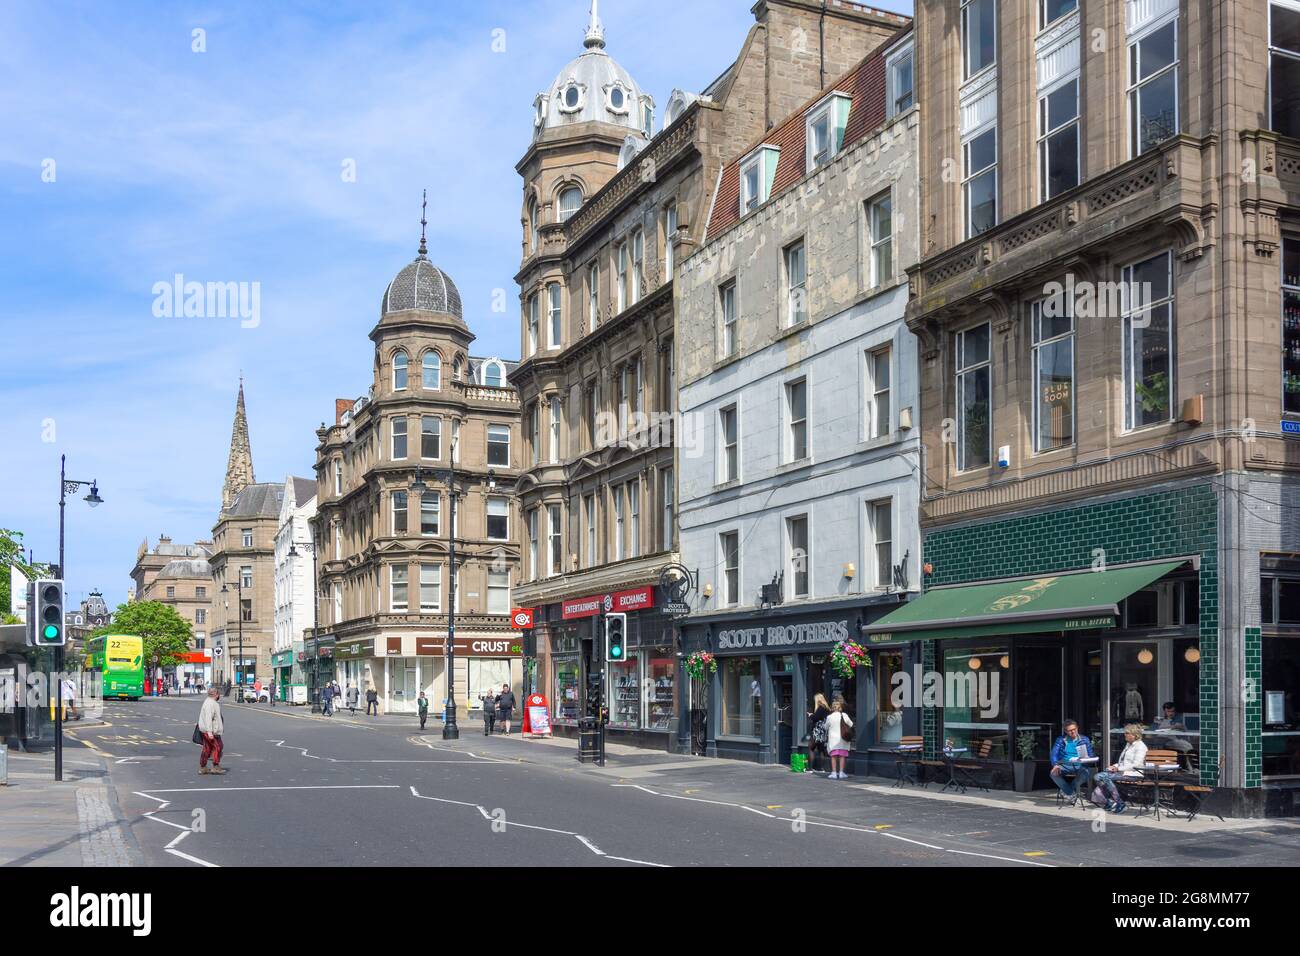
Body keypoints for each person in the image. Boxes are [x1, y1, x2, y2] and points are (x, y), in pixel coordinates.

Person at [1091, 724, 1147, 814]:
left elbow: (1136, 765)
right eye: (1125, 733)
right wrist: (1114, 766)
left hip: (1134, 774)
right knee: (1097, 776)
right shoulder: (1128, 744)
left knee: (1105, 777)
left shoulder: (1140, 747)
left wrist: (1118, 768)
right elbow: (1122, 761)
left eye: (1127, 733)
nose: (1125, 735)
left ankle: (1119, 803)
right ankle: (1109, 801)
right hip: (1123, 772)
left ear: (1134, 735)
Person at [1049, 719, 1095, 802]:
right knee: (1053, 774)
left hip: (1080, 765)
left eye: (1074, 729)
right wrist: (1055, 765)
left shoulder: (1084, 739)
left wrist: (1087, 758)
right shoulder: (1061, 740)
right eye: (1070, 730)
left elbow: (1091, 755)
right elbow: (1054, 753)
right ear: (1066, 731)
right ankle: (1071, 793)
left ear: (1077, 728)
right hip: (1065, 764)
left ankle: (1067, 791)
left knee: (1086, 773)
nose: (1073, 732)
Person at [198, 688, 226, 775]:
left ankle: (203, 767)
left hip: (207, 730)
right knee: (218, 746)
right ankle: (215, 766)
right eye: (219, 694)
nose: (219, 696)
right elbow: (208, 718)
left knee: (207, 748)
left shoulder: (208, 701)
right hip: (211, 730)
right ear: (216, 694)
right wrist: (210, 732)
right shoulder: (211, 704)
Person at [824, 698, 854, 779]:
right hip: (843, 739)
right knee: (842, 756)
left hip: (833, 740)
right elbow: (851, 724)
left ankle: (834, 773)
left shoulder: (829, 717)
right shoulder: (844, 715)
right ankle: (841, 773)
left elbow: (825, 727)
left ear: (832, 707)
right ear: (840, 707)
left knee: (833, 757)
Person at [806, 693, 831, 774]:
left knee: (811, 748)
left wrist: (810, 715)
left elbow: (815, 718)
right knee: (821, 750)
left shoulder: (820, 707)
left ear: (818, 700)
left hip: (817, 731)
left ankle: (810, 769)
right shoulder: (827, 708)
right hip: (823, 731)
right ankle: (821, 768)